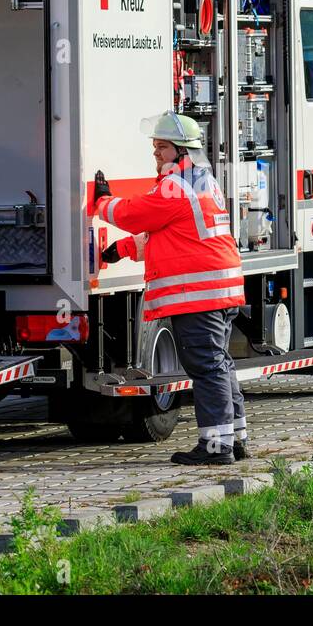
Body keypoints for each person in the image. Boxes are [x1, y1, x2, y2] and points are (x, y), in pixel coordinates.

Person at [93, 112, 248, 465]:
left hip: (200, 296)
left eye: (161, 147)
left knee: (207, 369)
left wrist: (103, 202)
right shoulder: (201, 181)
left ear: (181, 151)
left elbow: (135, 214)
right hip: (220, 290)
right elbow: (169, 235)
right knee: (220, 366)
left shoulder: (175, 186)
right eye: (155, 147)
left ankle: (215, 447)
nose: (155, 154)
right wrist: (122, 250)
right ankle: (235, 439)